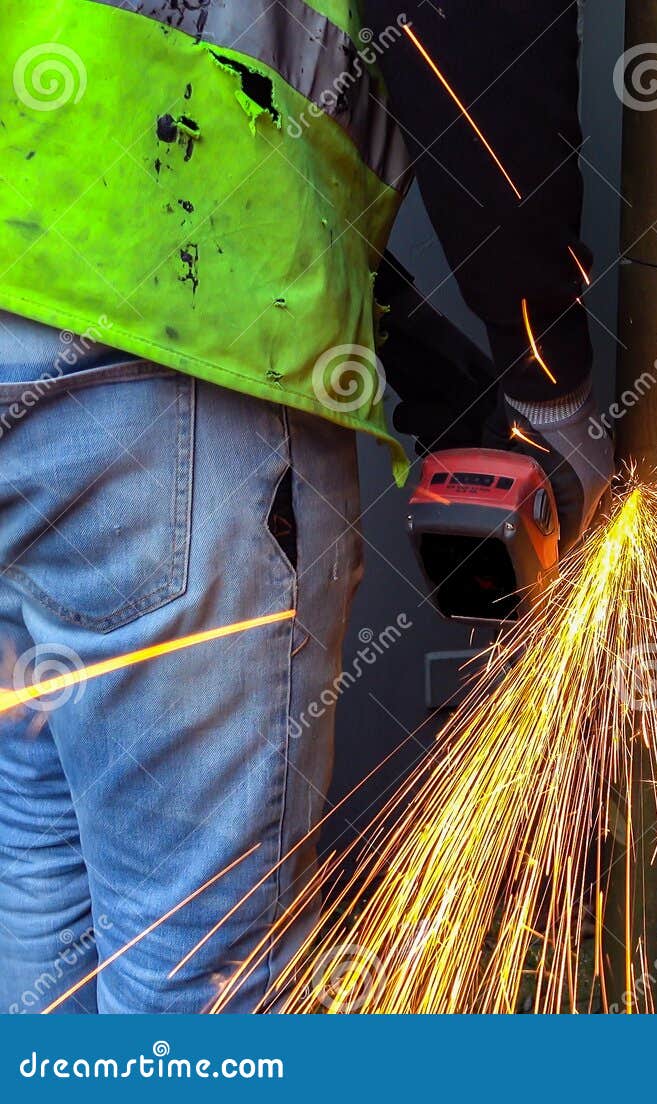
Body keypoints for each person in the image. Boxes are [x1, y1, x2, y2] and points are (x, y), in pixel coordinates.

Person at [0, 0, 608, 1013]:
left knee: (45, 864)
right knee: (201, 966)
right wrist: (549, 376)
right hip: (155, 342)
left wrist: (429, 362)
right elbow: (476, 33)